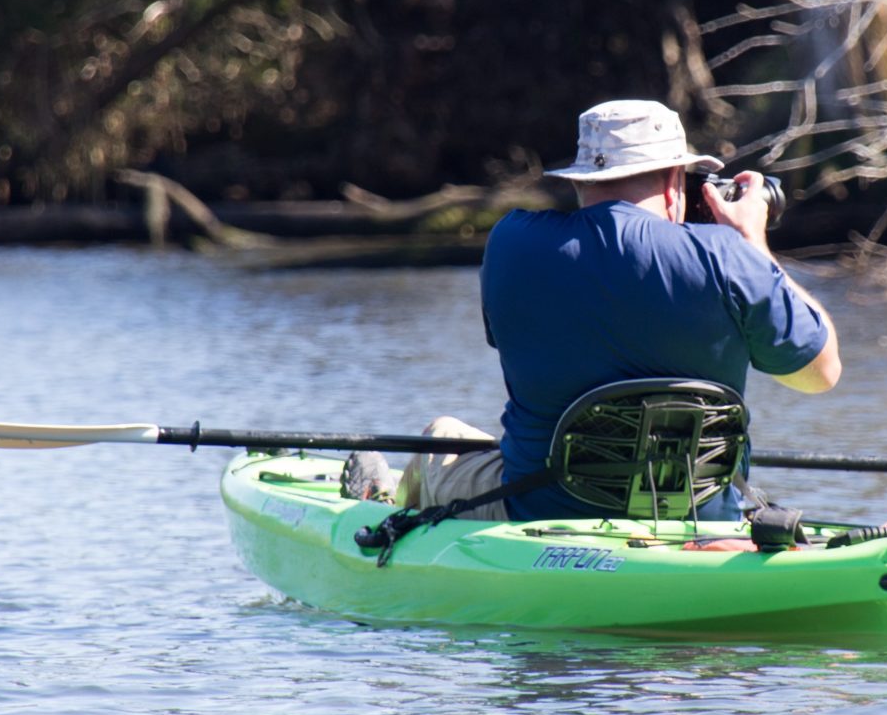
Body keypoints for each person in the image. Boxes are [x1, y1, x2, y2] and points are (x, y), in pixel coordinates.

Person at [344, 99, 840, 520]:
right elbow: (820, 375)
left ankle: (381, 510)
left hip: (541, 508)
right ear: (675, 182)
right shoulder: (730, 256)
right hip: (699, 515)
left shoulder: (513, 244)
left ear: (580, 183)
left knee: (442, 438)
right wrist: (752, 243)